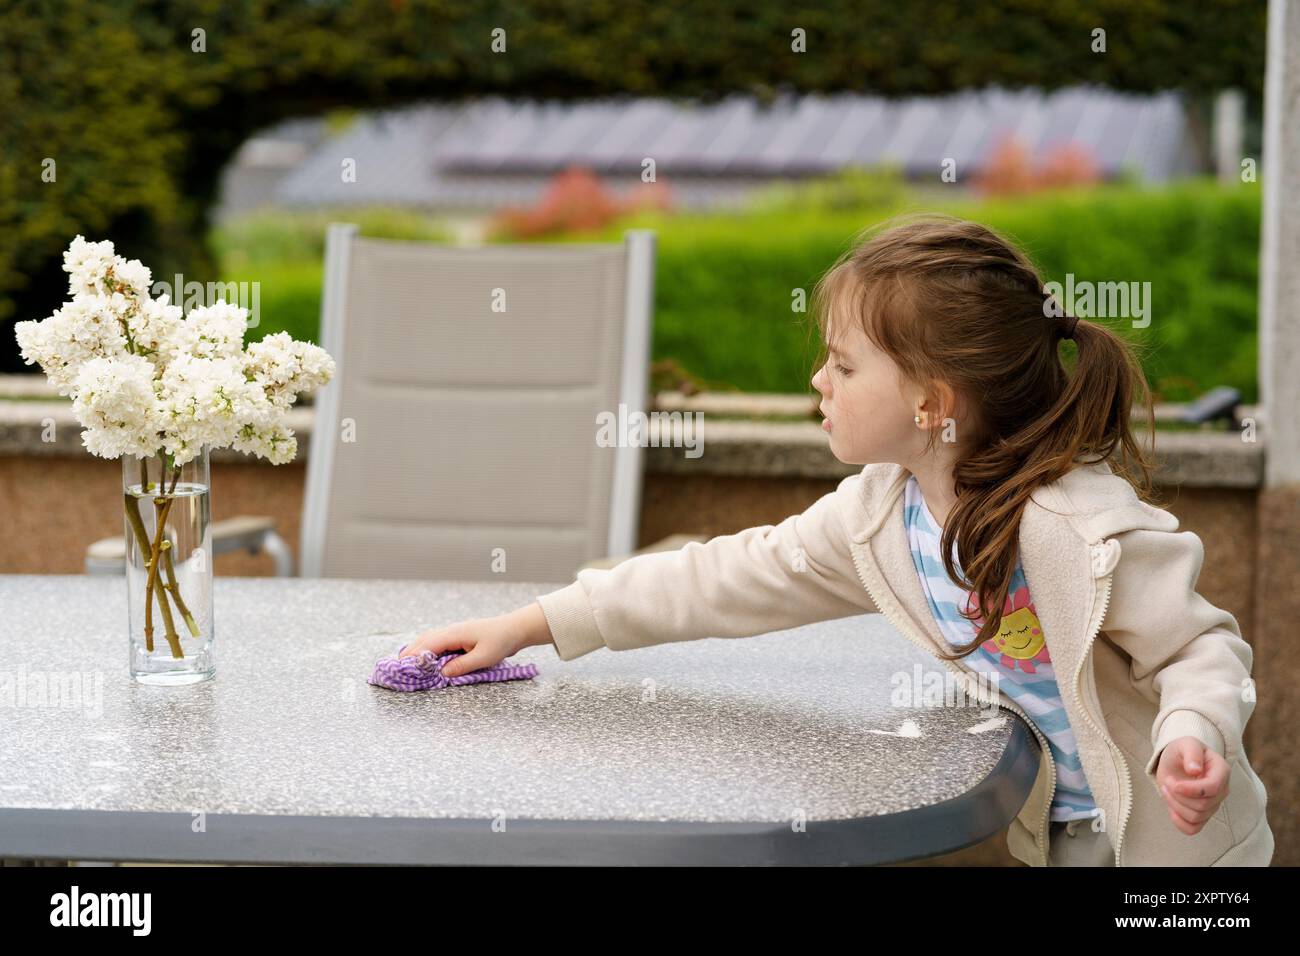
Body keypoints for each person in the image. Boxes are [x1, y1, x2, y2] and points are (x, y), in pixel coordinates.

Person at [399, 214, 1272, 867]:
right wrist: (535, 624)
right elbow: (720, 578)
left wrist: (1189, 733)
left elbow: (1199, 647)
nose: (819, 382)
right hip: (1059, 832)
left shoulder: (1077, 527)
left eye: (845, 366)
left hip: (1175, 846)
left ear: (932, 404)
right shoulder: (879, 517)